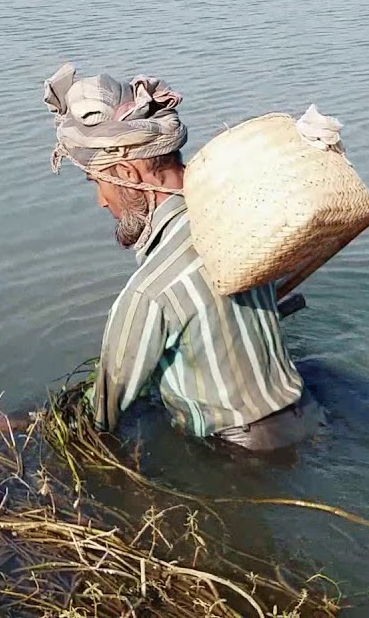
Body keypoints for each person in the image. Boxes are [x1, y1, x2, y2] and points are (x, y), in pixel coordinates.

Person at [38, 62, 323, 452]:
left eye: (98, 183)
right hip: (310, 415)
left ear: (127, 172)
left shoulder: (150, 293)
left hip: (241, 454)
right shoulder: (239, 225)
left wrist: (24, 423)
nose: (102, 201)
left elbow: (98, 418)